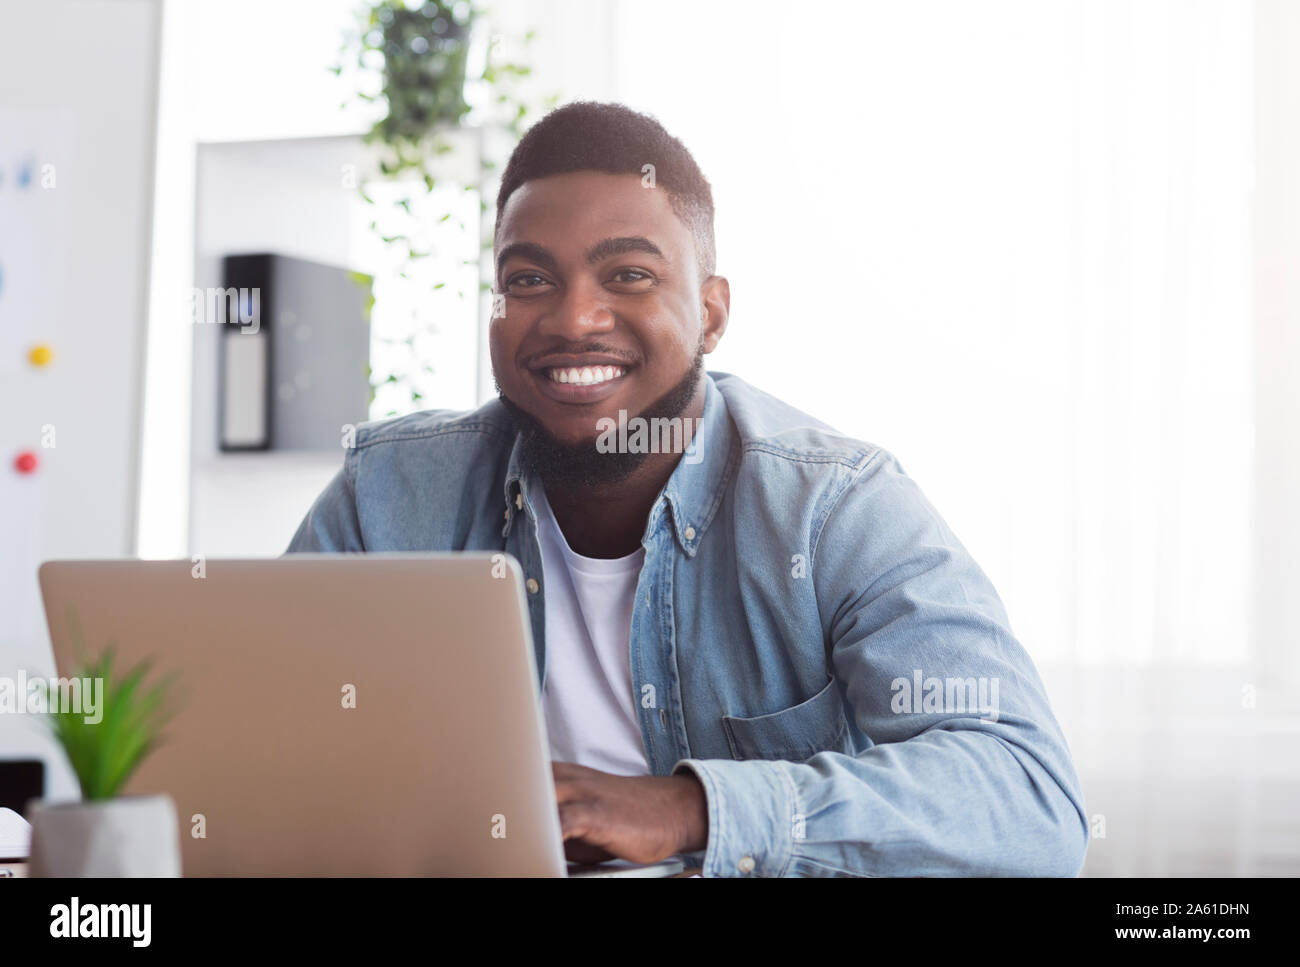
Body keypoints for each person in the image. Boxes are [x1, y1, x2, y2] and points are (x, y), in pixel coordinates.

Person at [287, 100, 1088, 877]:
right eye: (529, 278)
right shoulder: (387, 494)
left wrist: (689, 809)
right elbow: (260, 744)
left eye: (628, 274)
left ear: (710, 314)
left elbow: (1028, 799)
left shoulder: (832, 506)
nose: (575, 319)